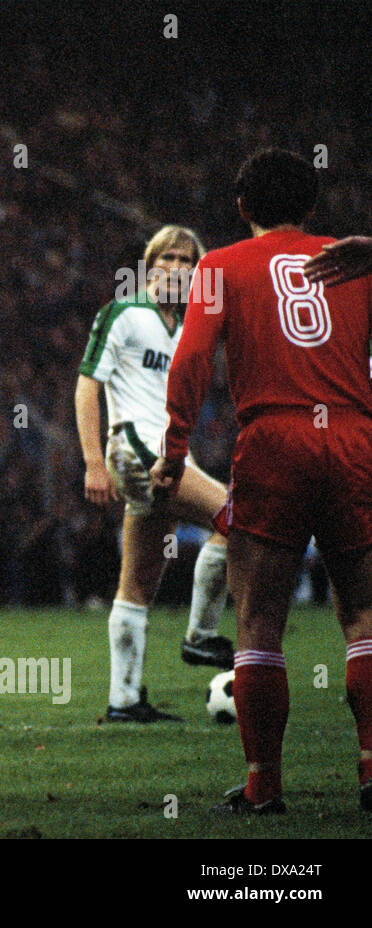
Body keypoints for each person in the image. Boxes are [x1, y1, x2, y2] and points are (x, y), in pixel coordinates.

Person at [152, 148, 372, 814]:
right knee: (363, 615)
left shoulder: (218, 265)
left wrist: (175, 448)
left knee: (259, 620)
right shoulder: (358, 260)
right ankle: (370, 771)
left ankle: (263, 786)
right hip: (355, 435)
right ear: (312, 207)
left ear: (242, 208)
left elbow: (191, 358)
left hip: (275, 440)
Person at [75, 225, 233, 725]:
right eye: (168, 258)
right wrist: (93, 462)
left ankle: (123, 700)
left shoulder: (190, 327)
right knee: (235, 516)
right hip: (135, 452)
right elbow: (86, 387)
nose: (178, 268)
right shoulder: (122, 313)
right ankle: (201, 636)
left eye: (189, 261)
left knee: (138, 582)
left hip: (168, 453)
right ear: (150, 264)